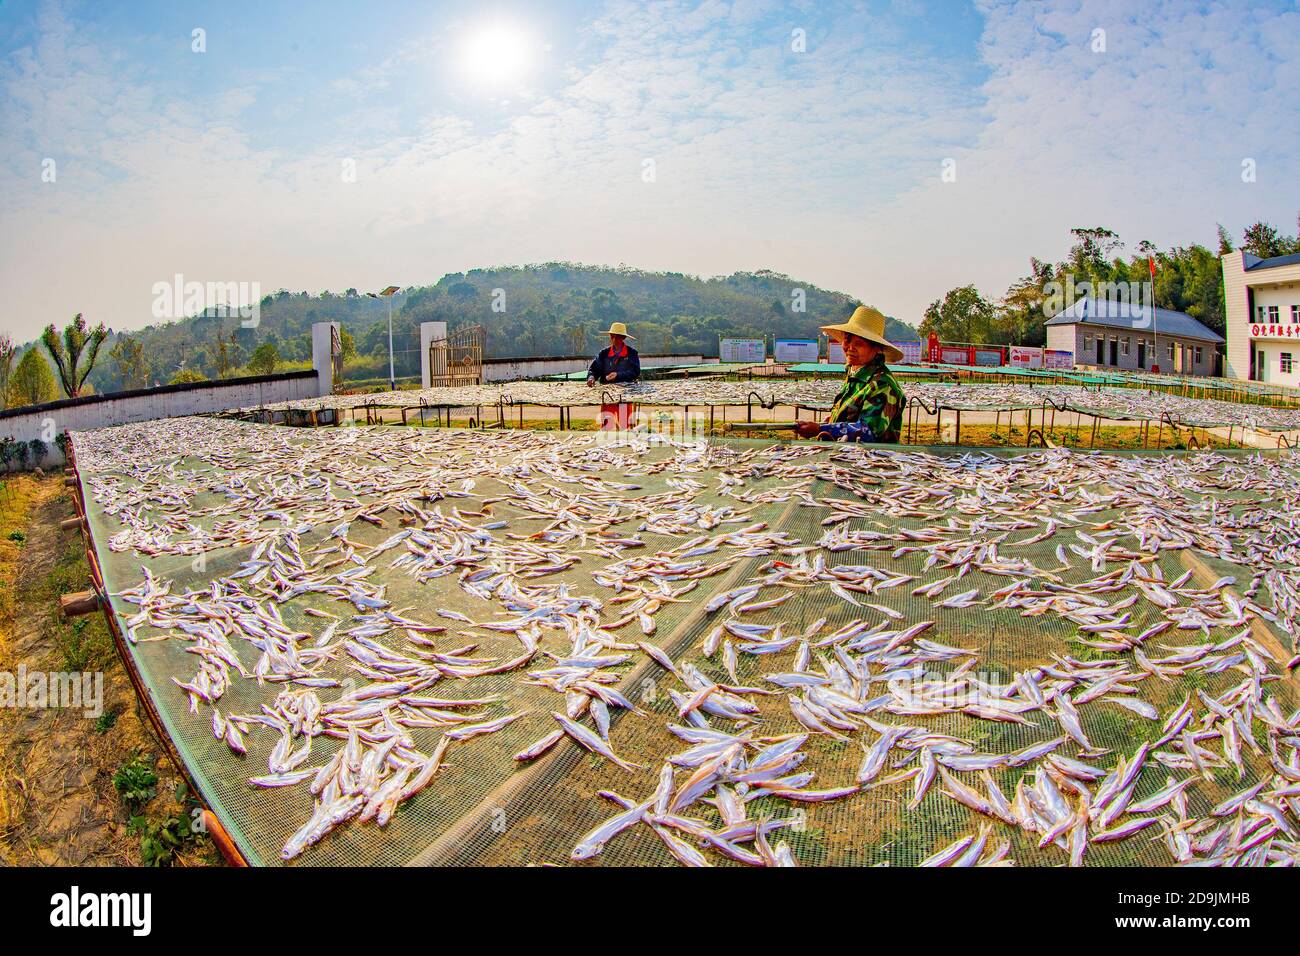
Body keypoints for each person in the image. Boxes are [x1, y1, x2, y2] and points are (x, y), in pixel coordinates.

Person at [795, 306, 906, 443]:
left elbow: (868, 431)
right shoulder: (854, 373)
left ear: (876, 348)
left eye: (859, 344)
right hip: (845, 455)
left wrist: (820, 429)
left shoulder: (882, 384)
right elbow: (851, 414)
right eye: (847, 341)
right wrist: (830, 422)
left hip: (871, 460)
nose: (850, 348)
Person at [586, 322, 641, 430]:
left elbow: (635, 372)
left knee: (625, 427)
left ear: (623, 338)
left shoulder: (631, 353)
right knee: (607, 427)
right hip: (607, 395)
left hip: (625, 394)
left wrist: (618, 375)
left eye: (618, 336)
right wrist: (591, 377)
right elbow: (594, 369)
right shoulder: (604, 354)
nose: (614, 338)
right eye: (613, 336)